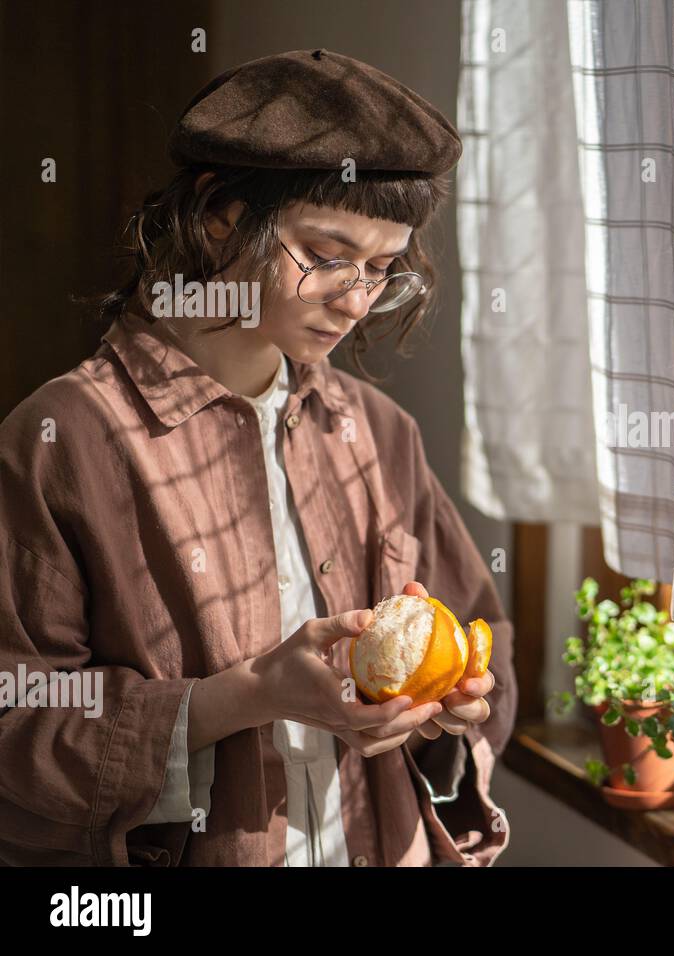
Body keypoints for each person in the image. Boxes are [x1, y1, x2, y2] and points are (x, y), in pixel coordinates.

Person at [0, 49, 515, 866]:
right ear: (218, 216)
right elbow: (18, 727)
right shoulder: (63, 440)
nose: (355, 300)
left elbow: (483, 633)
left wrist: (453, 705)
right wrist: (241, 699)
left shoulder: (378, 434)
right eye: (326, 252)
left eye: (383, 269)